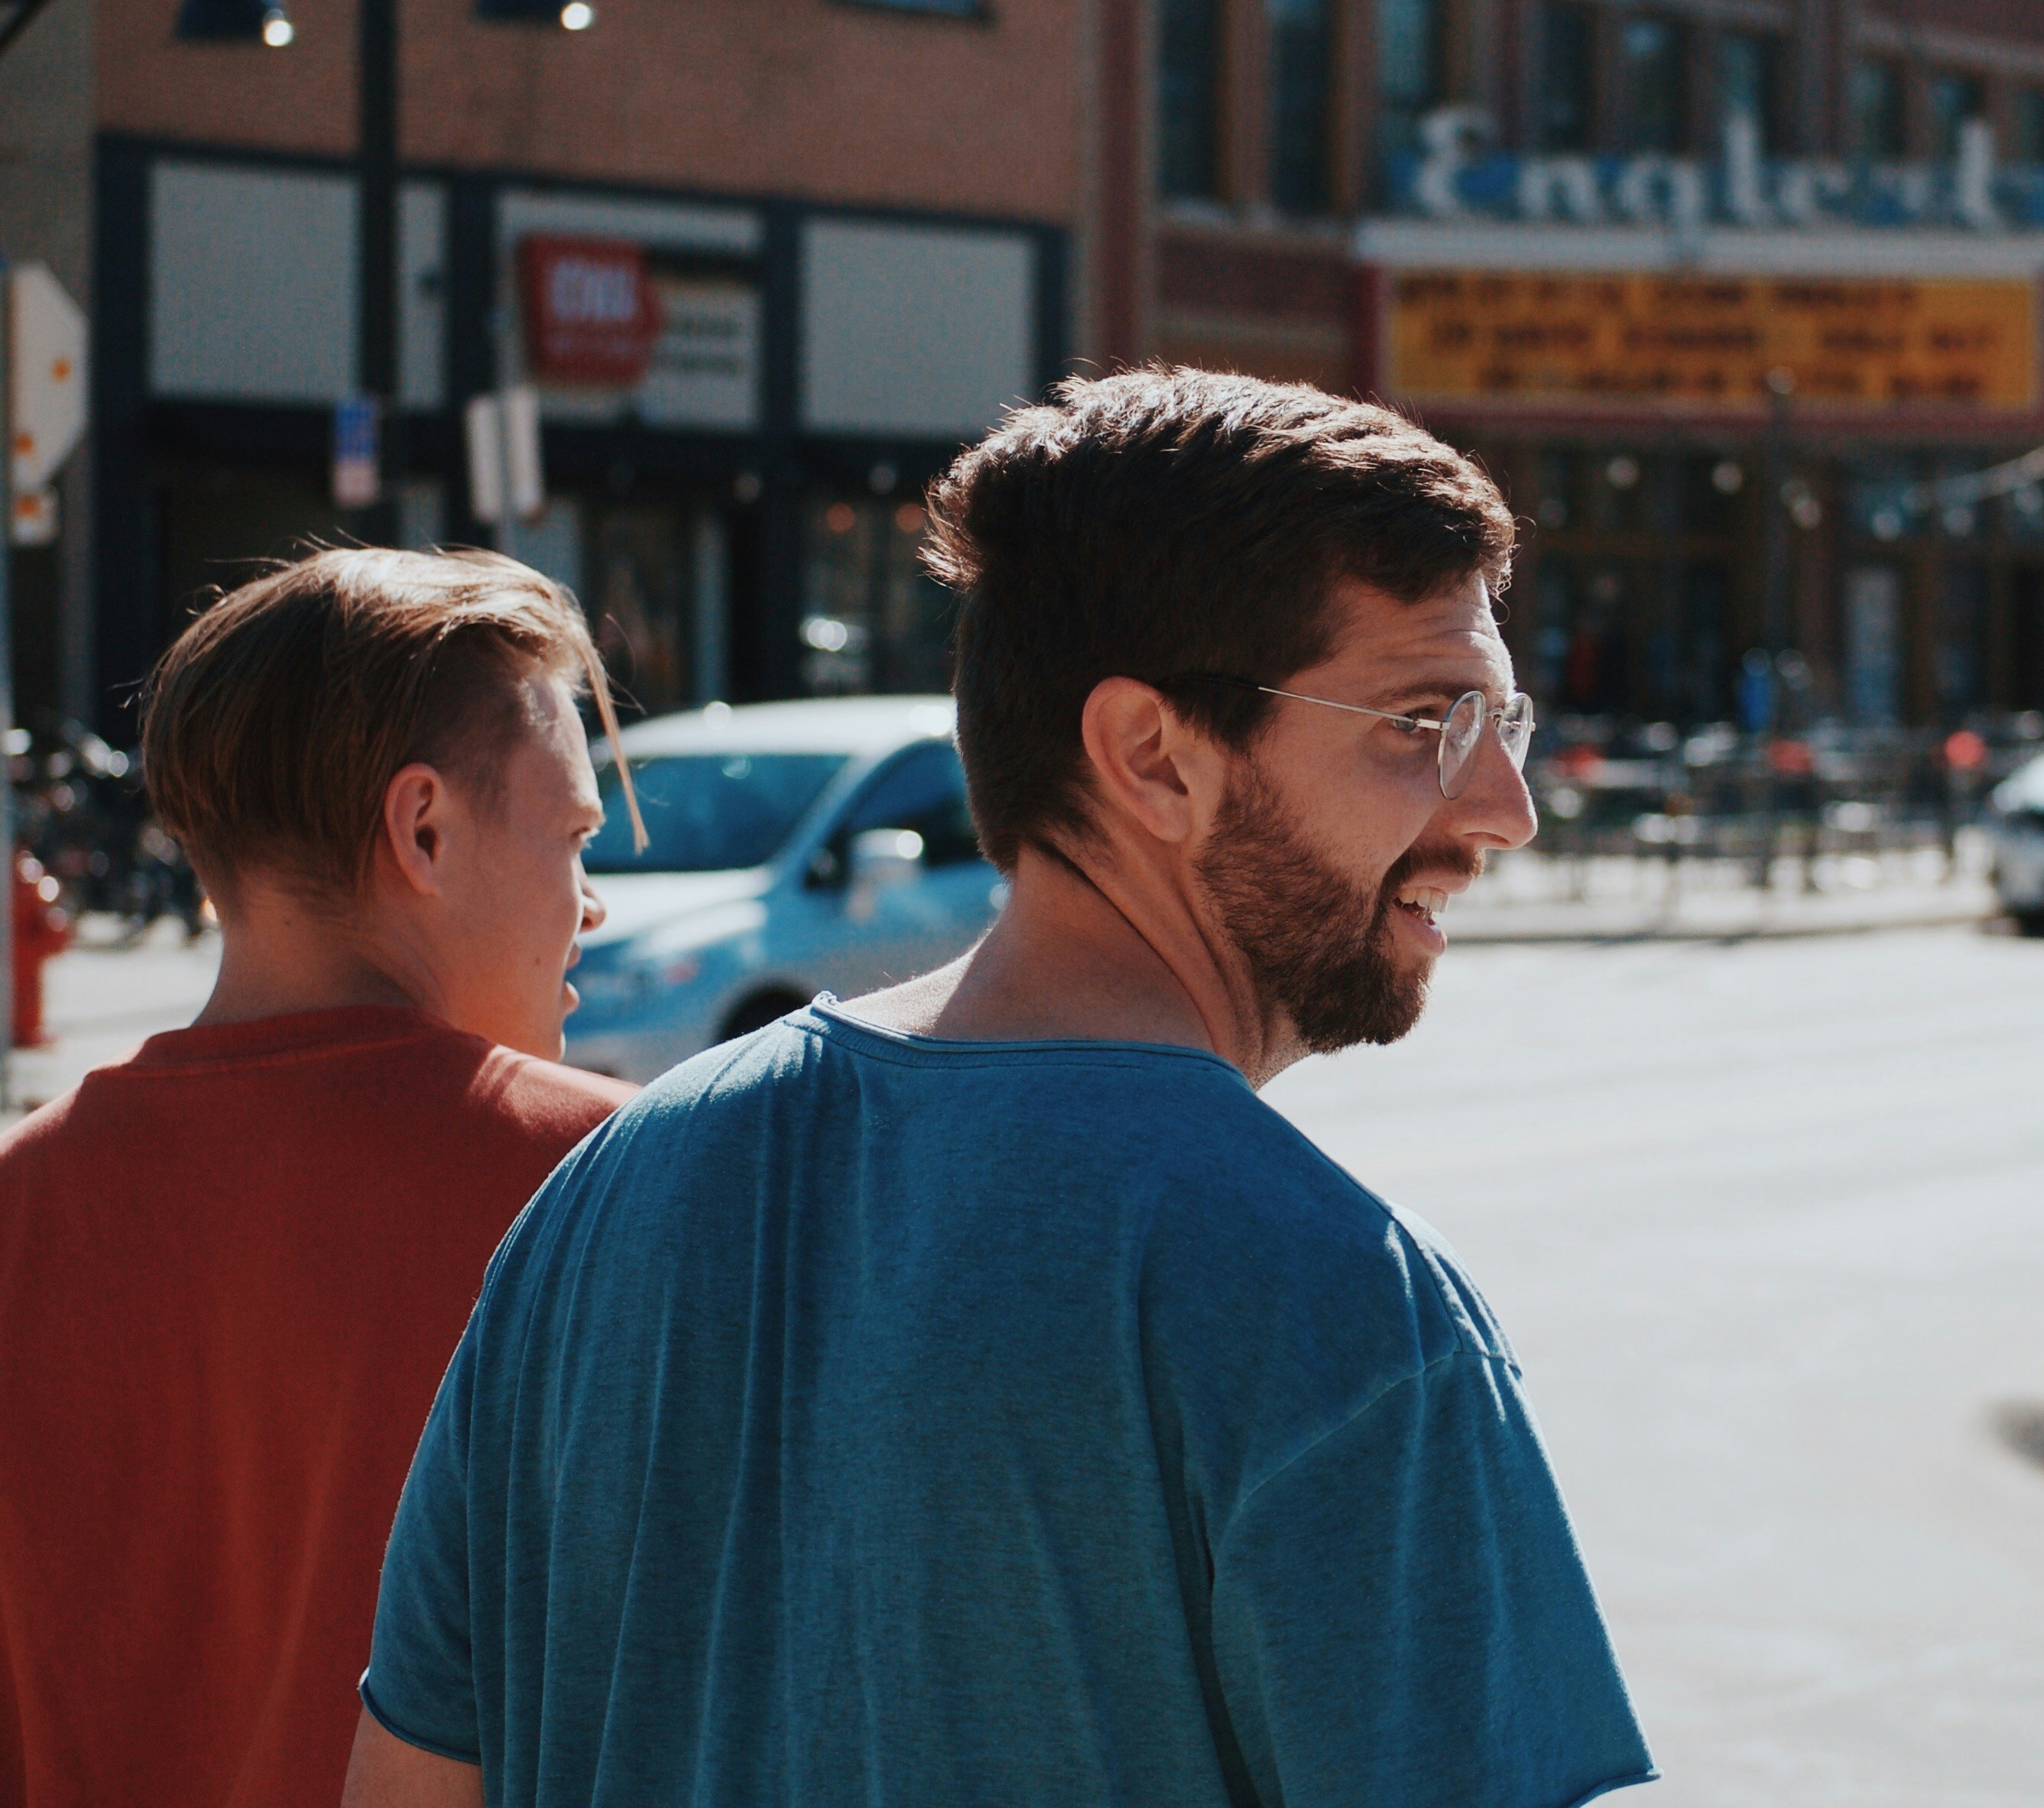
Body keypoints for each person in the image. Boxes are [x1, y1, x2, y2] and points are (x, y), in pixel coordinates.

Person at [348, 369, 1656, 1806]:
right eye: (1423, 721)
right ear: (1152, 756)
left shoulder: (604, 1197)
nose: (1504, 813)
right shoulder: (1326, 1294)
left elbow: (403, 1783)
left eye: (1502, 721)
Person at [0, 547, 633, 1808]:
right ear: (424, 828)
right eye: (572, 837)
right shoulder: (607, 1186)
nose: (595, 905)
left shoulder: (21, 1202)